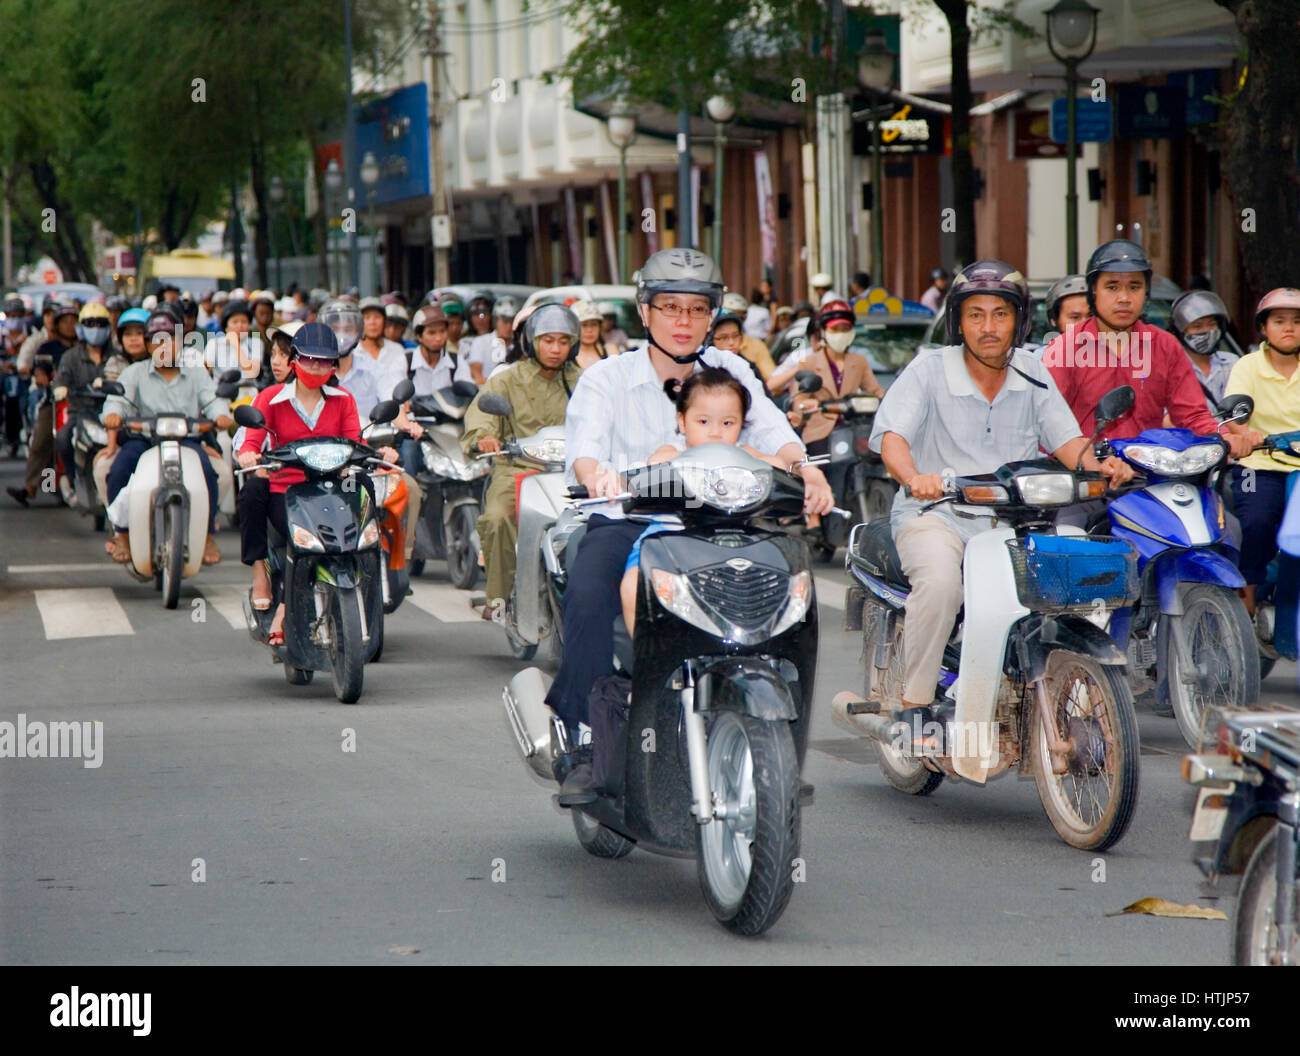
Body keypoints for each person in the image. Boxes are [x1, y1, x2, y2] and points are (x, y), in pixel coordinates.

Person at [549, 248, 832, 804]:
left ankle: (770, 725)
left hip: (723, 519)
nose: (683, 321)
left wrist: (805, 471)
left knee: (790, 590)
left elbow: (774, 432)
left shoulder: (732, 371)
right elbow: (584, 450)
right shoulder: (605, 378)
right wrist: (599, 475)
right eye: (670, 307)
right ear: (646, 312)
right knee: (588, 591)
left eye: (697, 310)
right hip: (631, 520)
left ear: (711, 316)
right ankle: (584, 737)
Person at [868, 259, 1132, 728]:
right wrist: (914, 477)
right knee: (942, 584)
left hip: (1015, 520)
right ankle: (915, 705)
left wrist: (1101, 466)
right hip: (937, 513)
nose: (988, 327)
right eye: (975, 314)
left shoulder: (1032, 370)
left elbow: (1069, 442)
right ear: (958, 321)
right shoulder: (930, 369)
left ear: (1019, 319)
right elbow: (892, 438)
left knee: (1073, 582)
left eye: (1000, 314)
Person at [236, 323, 397, 642]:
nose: (317, 366)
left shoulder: (343, 400)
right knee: (253, 489)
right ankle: (262, 576)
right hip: (286, 493)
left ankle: (367, 575)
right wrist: (250, 457)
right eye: (309, 359)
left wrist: (378, 452)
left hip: (333, 491)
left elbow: (354, 443)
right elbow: (250, 444)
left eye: (325, 361)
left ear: (333, 365)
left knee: (363, 481)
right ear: (295, 360)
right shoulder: (270, 398)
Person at [1041, 239, 1259, 458]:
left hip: (1152, 474)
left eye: (1134, 287)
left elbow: (1193, 416)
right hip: (1087, 477)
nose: (1124, 298)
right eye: (1112, 287)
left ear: (1146, 293)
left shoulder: (1165, 345)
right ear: (1093, 292)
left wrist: (1225, 437)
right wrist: (1091, 463)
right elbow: (1048, 425)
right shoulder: (1064, 349)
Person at [619, 368, 789, 635]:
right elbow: (654, 463)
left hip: (735, 539)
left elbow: (779, 465)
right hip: (668, 535)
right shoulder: (674, 452)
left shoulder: (744, 454)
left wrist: (761, 464)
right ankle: (645, 664)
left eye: (727, 423)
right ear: (683, 422)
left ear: (741, 423)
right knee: (632, 585)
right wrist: (670, 467)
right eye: (703, 422)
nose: (715, 433)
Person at [461, 304, 583, 618]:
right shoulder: (506, 380)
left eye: (563, 341)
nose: (556, 349)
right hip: (517, 468)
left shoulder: (584, 381)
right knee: (498, 518)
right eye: (547, 340)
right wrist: (485, 436)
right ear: (531, 341)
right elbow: (480, 418)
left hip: (572, 471)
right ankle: (498, 598)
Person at [100, 308, 230, 564]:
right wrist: (113, 414)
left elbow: (212, 399)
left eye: (170, 339)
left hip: (187, 440)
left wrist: (221, 415)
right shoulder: (134, 372)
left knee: (209, 473)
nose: (164, 347)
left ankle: (206, 534)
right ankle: (122, 533)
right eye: (157, 340)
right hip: (144, 440)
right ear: (148, 345)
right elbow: (117, 400)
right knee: (118, 470)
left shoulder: (196, 373)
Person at [1222, 288, 1300, 620]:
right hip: (1258, 464)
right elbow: (1233, 417)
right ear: (1263, 328)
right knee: (1256, 521)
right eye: (1279, 321)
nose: (1289, 328)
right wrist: (1246, 434)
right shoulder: (1248, 366)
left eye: (1297, 321)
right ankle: (1248, 594)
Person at [400, 304, 474, 473]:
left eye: (442, 331)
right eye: (431, 333)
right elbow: (396, 398)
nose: (438, 337)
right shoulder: (405, 361)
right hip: (417, 429)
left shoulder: (456, 362)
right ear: (419, 336)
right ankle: (413, 495)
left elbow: (468, 391)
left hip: (451, 426)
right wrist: (408, 421)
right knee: (409, 452)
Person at [52, 303, 114, 496]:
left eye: (100, 324)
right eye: (90, 324)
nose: (95, 329)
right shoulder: (70, 357)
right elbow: (60, 380)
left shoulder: (116, 356)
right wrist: (61, 388)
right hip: (80, 411)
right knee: (62, 439)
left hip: (111, 413)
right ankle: (73, 480)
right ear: (81, 328)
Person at [1167, 289, 1239, 410]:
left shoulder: (1233, 363)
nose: (1206, 330)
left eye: (1211, 324)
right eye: (1197, 326)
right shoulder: (1169, 369)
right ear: (1180, 331)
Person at [356, 297, 409, 392]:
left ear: (384, 321)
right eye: (367, 317)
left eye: (377, 317)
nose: (372, 322)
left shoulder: (396, 350)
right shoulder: (353, 352)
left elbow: (400, 384)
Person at [709, 308, 777, 380]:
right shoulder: (702, 367)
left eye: (735, 336)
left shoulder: (749, 367)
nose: (731, 343)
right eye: (723, 337)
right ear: (710, 340)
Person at [205, 298, 262, 382]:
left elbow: (252, 373)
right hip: (221, 390)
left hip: (248, 391)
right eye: (235, 322)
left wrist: (235, 344)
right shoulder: (214, 343)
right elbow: (206, 371)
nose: (240, 326)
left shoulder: (256, 343)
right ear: (226, 327)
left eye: (244, 322)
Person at [464, 297, 518, 384]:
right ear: (495, 320)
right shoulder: (480, 342)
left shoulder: (519, 345)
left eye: (512, 322)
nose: (508, 326)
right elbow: (476, 374)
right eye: (505, 321)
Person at [571, 300, 618, 370]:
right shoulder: (568, 354)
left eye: (594, 324)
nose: (589, 330)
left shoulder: (610, 350)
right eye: (584, 325)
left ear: (600, 327)